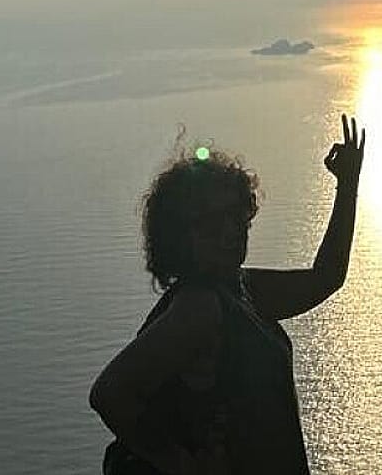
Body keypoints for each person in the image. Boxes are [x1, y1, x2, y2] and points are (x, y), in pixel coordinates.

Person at [90, 116, 366, 475]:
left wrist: (347, 185)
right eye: (208, 222)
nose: (229, 230)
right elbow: (109, 394)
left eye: (235, 215)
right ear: (179, 236)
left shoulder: (241, 288)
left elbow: (325, 278)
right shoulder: (199, 308)